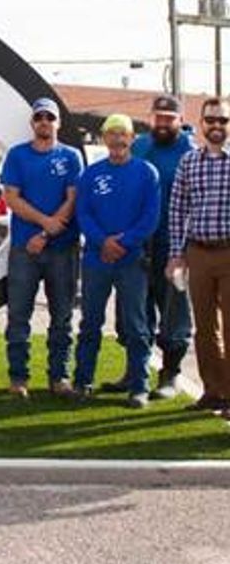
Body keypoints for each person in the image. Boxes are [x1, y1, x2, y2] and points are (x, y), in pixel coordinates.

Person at [102, 95, 195, 398]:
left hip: (175, 244)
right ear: (150, 117)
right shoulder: (139, 146)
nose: (164, 123)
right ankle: (134, 371)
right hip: (137, 243)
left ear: (180, 120)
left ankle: (170, 376)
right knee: (133, 310)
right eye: (159, 117)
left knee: (173, 311)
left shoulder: (190, 151)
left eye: (170, 118)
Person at [73, 114, 160, 408]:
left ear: (132, 138)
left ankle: (139, 386)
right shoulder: (91, 174)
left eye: (123, 134)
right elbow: (83, 214)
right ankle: (82, 381)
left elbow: (150, 218)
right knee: (90, 324)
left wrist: (122, 243)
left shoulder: (147, 173)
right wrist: (103, 242)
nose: (118, 140)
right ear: (104, 138)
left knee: (137, 325)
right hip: (97, 261)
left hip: (131, 260)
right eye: (112, 134)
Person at [2, 97, 83, 398]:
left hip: (63, 249)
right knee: (18, 316)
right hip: (25, 249)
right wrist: (43, 224)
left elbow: (73, 198)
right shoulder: (18, 156)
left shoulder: (71, 156)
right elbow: (12, 198)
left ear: (58, 122)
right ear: (32, 123)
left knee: (62, 317)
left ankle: (59, 377)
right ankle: (18, 378)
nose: (44, 122)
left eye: (50, 117)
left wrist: (48, 233)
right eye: (39, 118)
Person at [167, 97, 230, 413]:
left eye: (223, 121)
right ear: (202, 123)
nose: (217, 126)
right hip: (198, 253)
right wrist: (176, 255)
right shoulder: (189, 162)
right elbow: (178, 210)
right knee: (205, 327)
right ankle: (214, 391)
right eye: (211, 120)